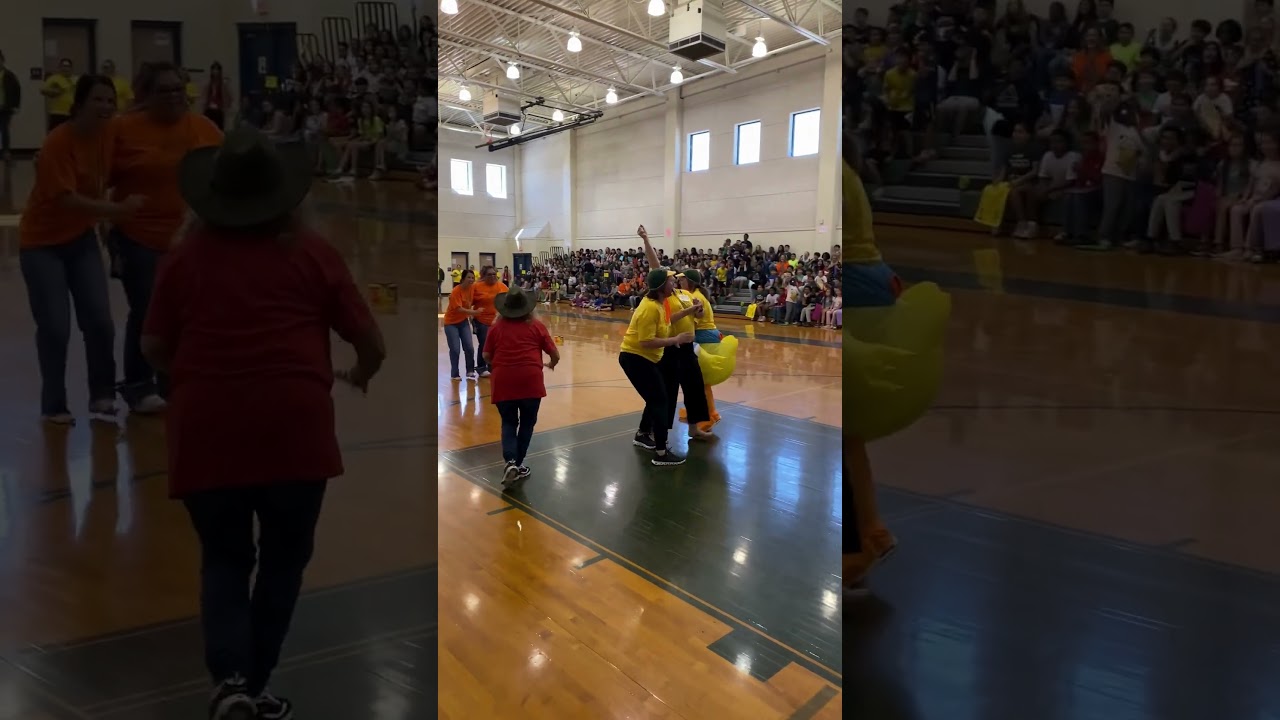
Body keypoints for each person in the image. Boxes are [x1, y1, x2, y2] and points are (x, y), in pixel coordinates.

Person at [140, 126, 385, 720]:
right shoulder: (312, 253)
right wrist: (360, 373)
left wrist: (201, 378)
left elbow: (152, 347)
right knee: (282, 562)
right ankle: (254, 683)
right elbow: (370, 342)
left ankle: (231, 683)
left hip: (206, 429)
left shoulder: (186, 257)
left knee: (224, 559)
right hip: (294, 428)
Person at [17, 75, 142, 423]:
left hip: (81, 240)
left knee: (100, 321)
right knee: (56, 325)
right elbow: (67, 200)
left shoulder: (110, 133)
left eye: (109, 100)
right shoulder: (59, 142)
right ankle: (54, 404)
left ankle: (102, 395)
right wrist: (118, 212)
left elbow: (138, 122)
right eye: (97, 100)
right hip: (42, 244)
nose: (105, 106)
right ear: (79, 105)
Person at [109, 61, 224, 414]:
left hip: (190, 238)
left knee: (188, 312)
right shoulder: (122, 130)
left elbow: (224, 178)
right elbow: (94, 178)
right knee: (147, 310)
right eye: (164, 90)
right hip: (138, 236)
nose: (174, 96)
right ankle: (139, 386)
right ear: (145, 95)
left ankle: (175, 382)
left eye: (179, 88)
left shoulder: (204, 128)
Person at [617, 268, 698, 467]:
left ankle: (643, 435)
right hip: (635, 358)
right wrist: (674, 340)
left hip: (646, 359)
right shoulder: (649, 308)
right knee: (661, 401)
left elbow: (668, 321)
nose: (674, 284)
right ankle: (661, 453)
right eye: (671, 281)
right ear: (662, 287)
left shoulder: (660, 304)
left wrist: (689, 311)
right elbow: (645, 341)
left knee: (657, 399)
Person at [637, 226, 711, 440]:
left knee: (694, 389)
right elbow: (668, 319)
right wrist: (646, 239)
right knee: (665, 392)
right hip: (670, 348)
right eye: (670, 277)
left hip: (687, 349)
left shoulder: (684, 294)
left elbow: (696, 317)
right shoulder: (665, 297)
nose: (673, 279)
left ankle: (694, 427)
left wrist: (699, 309)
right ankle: (651, 429)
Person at [482, 286, 559, 486]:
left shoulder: (496, 328)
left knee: (508, 423)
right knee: (526, 423)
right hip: (530, 381)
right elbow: (554, 354)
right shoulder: (536, 326)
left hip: (503, 381)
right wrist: (550, 365)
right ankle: (518, 463)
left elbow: (486, 356)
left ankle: (510, 462)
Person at [470, 265, 508, 377]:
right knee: (485, 343)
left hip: (498, 321)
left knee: (498, 344)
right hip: (482, 320)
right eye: (489, 274)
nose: (492, 276)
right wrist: (471, 313)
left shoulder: (502, 286)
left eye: (494, 274)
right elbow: (467, 301)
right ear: (483, 276)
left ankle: (493, 366)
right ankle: (481, 368)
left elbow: (508, 301)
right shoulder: (476, 287)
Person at [443, 269, 481, 380]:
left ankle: (470, 371)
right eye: (468, 277)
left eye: (472, 278)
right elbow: (459, 309)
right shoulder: (456, 291)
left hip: (463, 322)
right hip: (451, 323)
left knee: (469, 347)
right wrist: (474, 313)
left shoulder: (472, 288)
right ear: (463, 279)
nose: (471, 279)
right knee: (455, 349)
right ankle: (455, 374)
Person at [41, 58, 76, 131]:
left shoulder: (76, 79)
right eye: (63, 66)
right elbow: (43, 90)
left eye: (67, 66)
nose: (65, 68)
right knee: (54, 135)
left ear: (71, 68)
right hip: (57, 113)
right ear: (60, 67)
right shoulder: (54, 78)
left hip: (72, 113)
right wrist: (55, 91)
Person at [0, 51, 20, 163]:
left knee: (4, 130)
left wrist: (15, 105)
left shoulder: (9, 75)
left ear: (2, 60)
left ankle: (6, 153)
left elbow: (17, 90)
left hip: (5, 107)